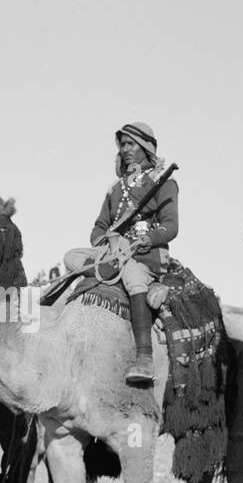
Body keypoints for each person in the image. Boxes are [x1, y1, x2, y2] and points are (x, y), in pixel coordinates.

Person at [62, 122, 179, 384]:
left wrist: (147, 239)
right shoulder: (115, 188)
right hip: (112, 253)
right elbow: (99, 226)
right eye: (122, 144)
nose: (125, 149)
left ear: (146, 148)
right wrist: (108, 241)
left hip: (144, 255)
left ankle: (145, 358)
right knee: (71, 257)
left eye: (130, 144)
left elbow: (171, 226)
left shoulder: (164, 183)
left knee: (133, 277)